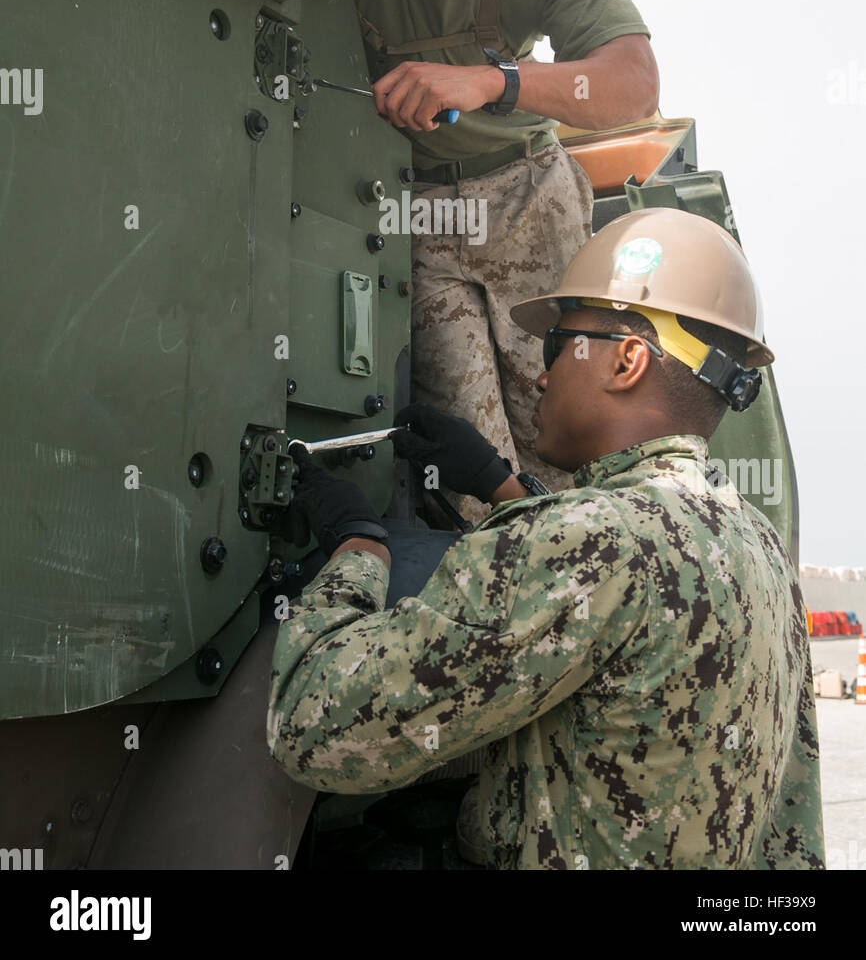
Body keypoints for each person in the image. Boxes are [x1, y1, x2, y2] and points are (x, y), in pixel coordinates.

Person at [267, 207, 824, 870]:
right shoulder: (756, 540)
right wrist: (505, 487)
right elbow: (792, 830)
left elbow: (316, 726)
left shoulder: (589, 543)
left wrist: (358, 548)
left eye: (557, 346)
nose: (539, 374)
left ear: (626, 361)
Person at [341, 0, 659, 519]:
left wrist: (494, 80)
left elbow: (632, 84)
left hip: (528, 203)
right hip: (422, 213)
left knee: (569, 441)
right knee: (468, 471)